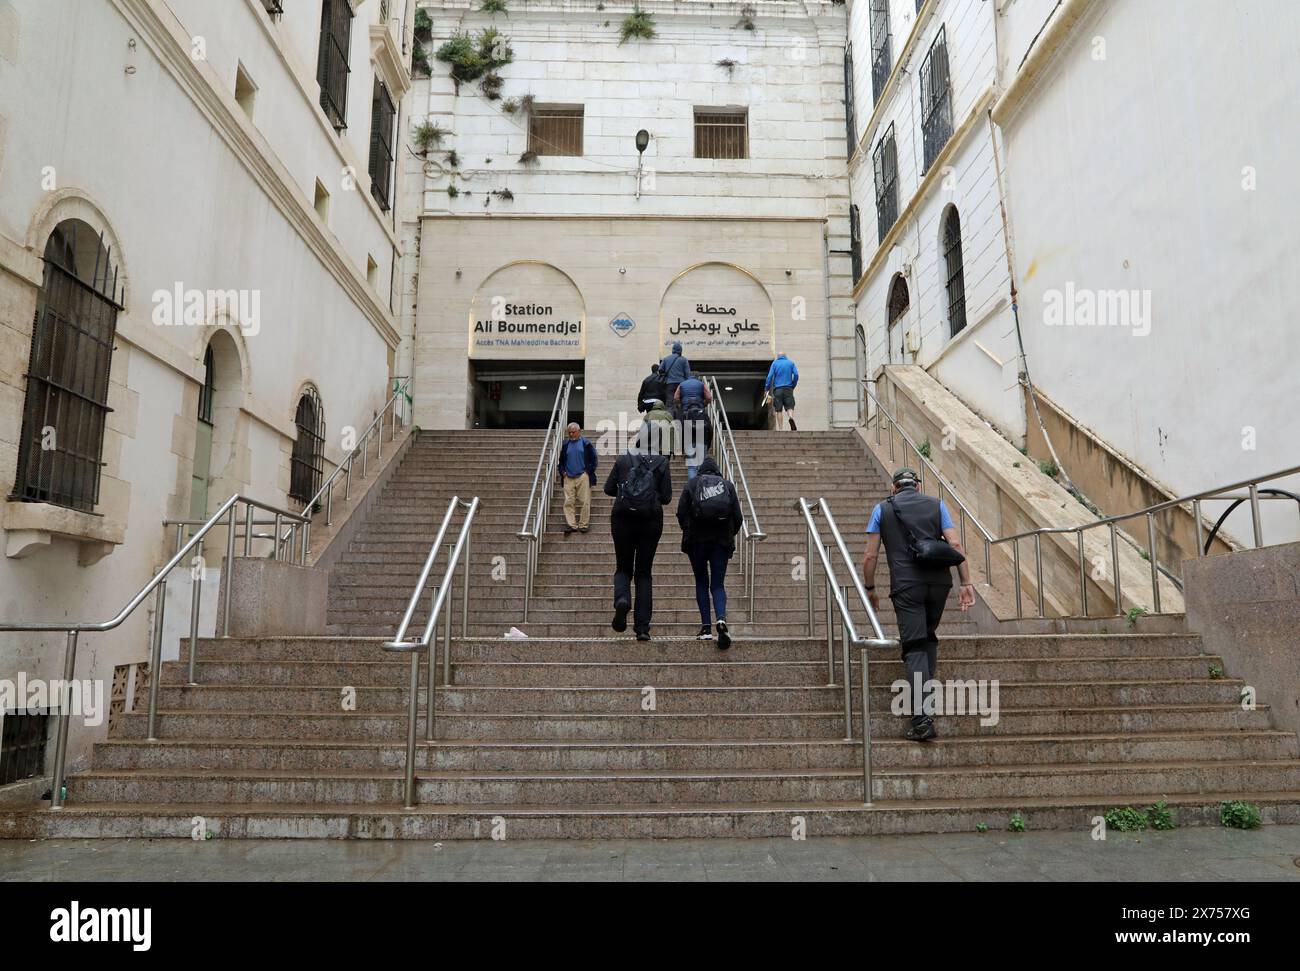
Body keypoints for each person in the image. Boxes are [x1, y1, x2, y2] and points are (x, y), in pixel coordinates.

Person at [862, 468, 975, 742]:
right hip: (939, 584)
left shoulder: (882, 510)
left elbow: (869, 556)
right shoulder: (937, 505)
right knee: (928, 637)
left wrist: (870, 588)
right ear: (918, 486)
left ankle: (922, 719)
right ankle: (925, 694)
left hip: (906, 586)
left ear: (894, 489)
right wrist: (966, 583)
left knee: (913, 646)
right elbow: (956, 544)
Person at [604, 423, 673, 641]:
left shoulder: (624, 458)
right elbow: (667, 497)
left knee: (623, 568)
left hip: (622, 518)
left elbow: (607, 488)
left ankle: (622, 599)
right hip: (650, 521)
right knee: (644, 572)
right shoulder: (662, 461)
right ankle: (642, 628)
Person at [676, 456, 743, 648]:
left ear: (701, 470)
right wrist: (729, 534)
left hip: (696, 541)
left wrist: (688, 530)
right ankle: (721, 618)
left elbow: (681, 512)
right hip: (720, 542)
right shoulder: (728, 486)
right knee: (718, 584)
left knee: (701, 582)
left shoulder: (692, 484)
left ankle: (706, 628)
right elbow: (738, 517)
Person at [555, 422, 597, 534]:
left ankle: (583, 525)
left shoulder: (586, 443)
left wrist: (588, 472)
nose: (571, 434)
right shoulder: (565, 444)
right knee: (568, 502)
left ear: (579, 431)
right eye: (569, 432)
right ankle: (571, 524)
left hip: (583, 476)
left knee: (585, 502)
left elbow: (594, 459)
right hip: (568, 476)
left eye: (573, 432)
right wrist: (562, 472)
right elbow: (561, 461)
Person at [674, 371, 713, 479]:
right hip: (701, 431)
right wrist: (703, 404)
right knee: (700, 466)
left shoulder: (682, 384)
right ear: (698, 377)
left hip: (687, 417)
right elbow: (709, 397)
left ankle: (693, 489)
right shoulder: (701, 384)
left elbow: (676, 398)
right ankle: (700, 489)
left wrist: (681, 406)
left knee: (691, 466)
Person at [764, 352, 799, 431]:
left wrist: (766, 389)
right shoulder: (790, 363)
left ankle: (780, 429)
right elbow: (796, 375)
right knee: (790, 406)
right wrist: (793, 385)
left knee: (778, 409)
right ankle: (790, 417)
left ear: (778, 357)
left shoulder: (775, 363)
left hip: (778, 389)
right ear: (785, 356)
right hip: (788, 388)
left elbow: (769, 377)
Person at [659, 341, 691, 417]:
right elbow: (687, 374)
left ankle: (670, 420)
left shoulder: (666, 359)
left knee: (670, 403)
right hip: (681, 384)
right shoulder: (684, 360)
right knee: (680, 402)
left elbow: (660, 370)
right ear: (680, 350)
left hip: (669, 384)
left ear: (673, 350)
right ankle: (680, 419)